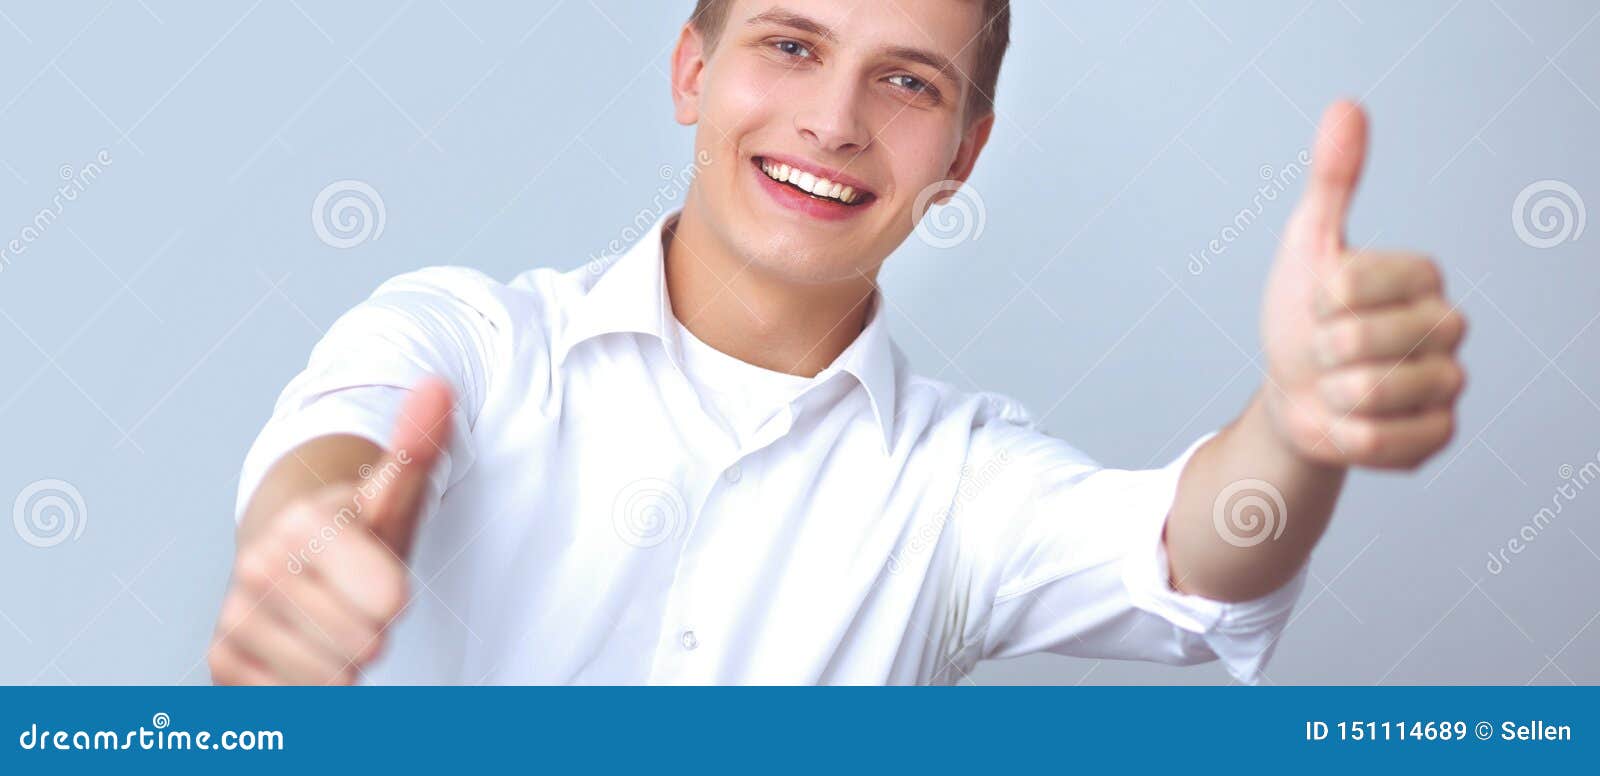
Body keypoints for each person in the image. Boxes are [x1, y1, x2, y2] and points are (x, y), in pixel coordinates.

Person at [208, 0, 1468, 685]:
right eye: (791, 44)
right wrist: (305, 553)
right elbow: (328, 463)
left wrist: (1298, 428)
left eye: (908, 80)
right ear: (692, 71)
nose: (832, 120)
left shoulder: (960, 482)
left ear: (965, 153)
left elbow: (1194, 560)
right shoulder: (470, 340)